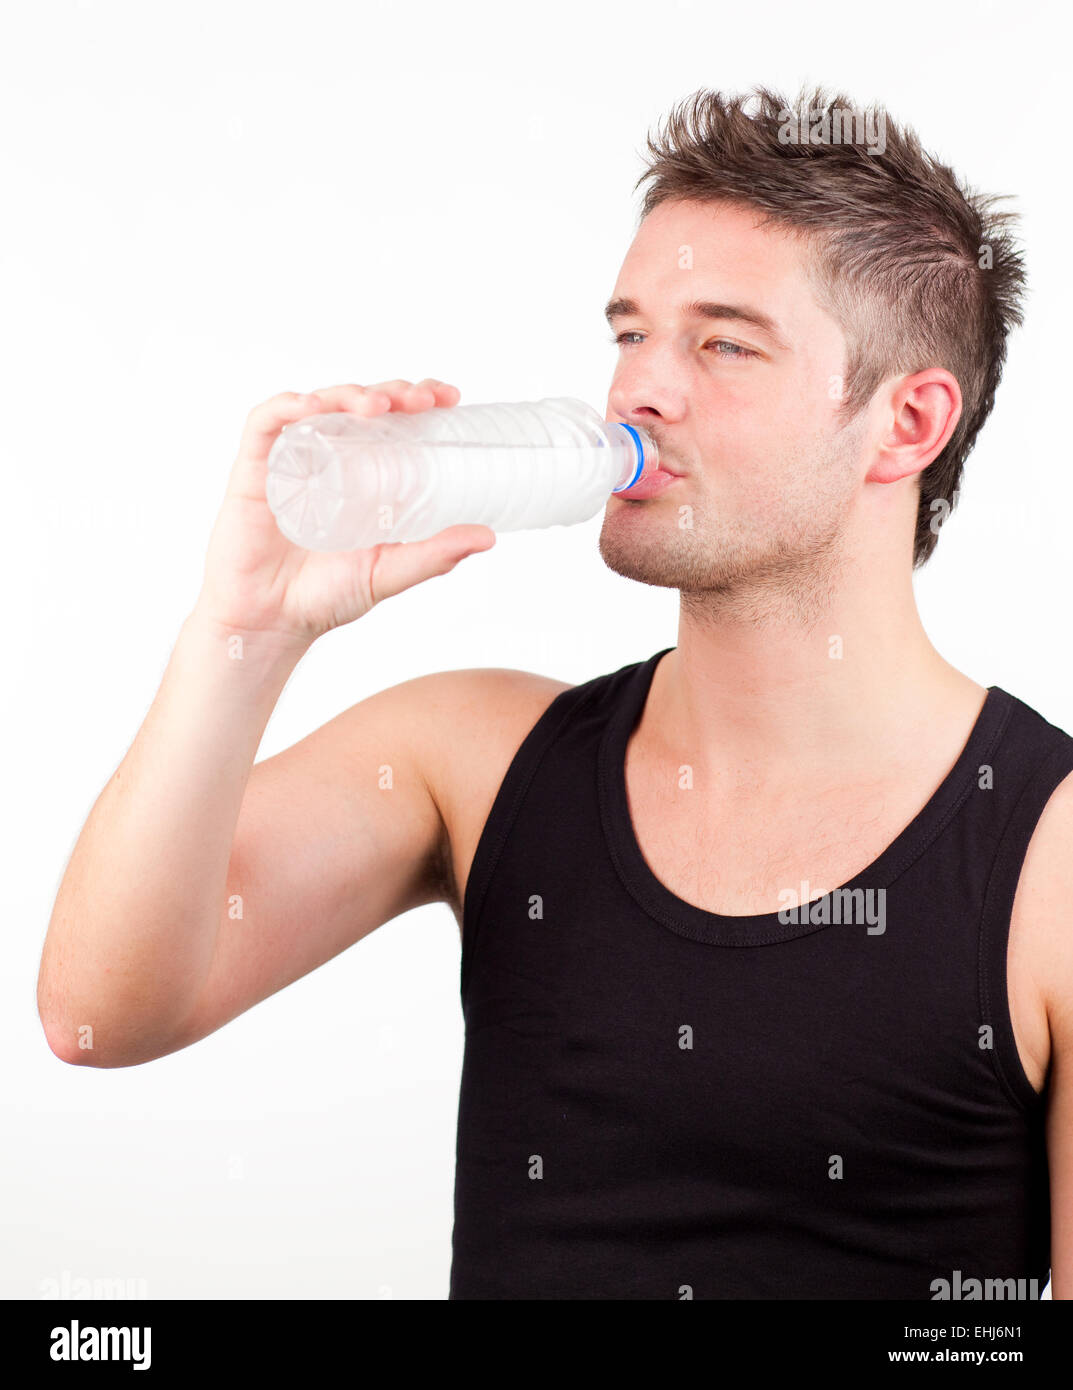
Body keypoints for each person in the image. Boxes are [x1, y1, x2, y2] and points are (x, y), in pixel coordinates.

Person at [38, 85, 1073, 1301]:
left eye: (723, 343)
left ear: (904, 422)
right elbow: (100, 1013)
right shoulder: (471, 758)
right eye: (631, 332)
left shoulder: (1046, 856)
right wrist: (244, 632)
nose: (639, 388)